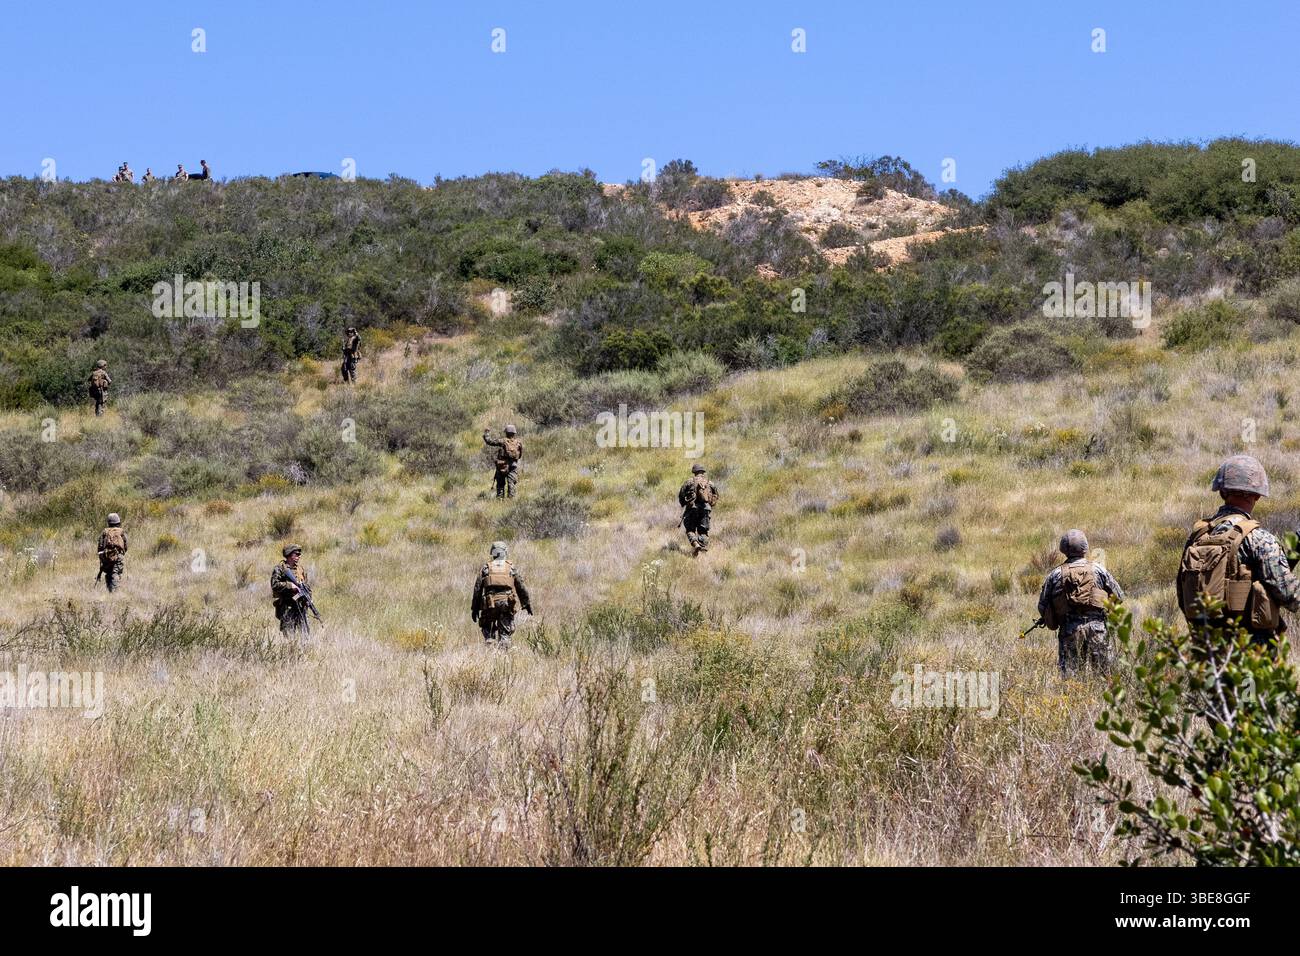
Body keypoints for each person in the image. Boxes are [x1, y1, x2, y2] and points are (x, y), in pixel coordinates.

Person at [1177, 454, 1300, 649]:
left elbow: (1182, 597)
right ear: (1257, 495)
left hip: (1207, 652)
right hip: (1251, 656)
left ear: (1222, 492)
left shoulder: (1197, 536)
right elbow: (1291, 597)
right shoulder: (1259, 539)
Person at [1036, 529, 1125, 675]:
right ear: (1085, 548)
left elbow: (1043, 606)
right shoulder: (1099, 570)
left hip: (1069, 631)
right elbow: (1119, 597)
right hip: (1098, 630)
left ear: (1063, 549)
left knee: (1071, 680)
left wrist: (1056, 617)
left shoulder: (1054, 575)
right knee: (1105, 677)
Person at [470, 541, 533, 648]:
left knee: (488, 632)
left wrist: (475, 609)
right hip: (506, 604)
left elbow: (477, 590)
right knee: (505, 634)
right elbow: (521, 587)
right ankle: (503, 657)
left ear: (492, 553)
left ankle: (490, 650)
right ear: (505, 552)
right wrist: (526, 604)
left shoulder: (486, 568)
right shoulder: (511, 568)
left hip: (489, 605)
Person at [270, 544, 314, 636]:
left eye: (299, 554)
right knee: (289, 636)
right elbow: (274, 585)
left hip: (301, 606)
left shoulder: (300, 569)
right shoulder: (280, 569)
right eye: (297, 554)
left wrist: (309, 598)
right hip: (287, 607)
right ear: (289, 555)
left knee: (305, 634)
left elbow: (306, 586)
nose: (299, 556)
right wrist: (290, 585)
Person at [677, 463, 719, 555]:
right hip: (705, 509)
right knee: (703, 531)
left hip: (692, 509)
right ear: (703, 472)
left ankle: (696, 544)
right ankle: (703, 550)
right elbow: (716, 495)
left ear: (694, 472)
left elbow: (681, 495)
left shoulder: (689, 482)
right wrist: (709, 506)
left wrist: (684, 504)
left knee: (690, 530)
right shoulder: (709, 483)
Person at [483, 425, 523, 499]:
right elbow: (520, 455)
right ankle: (511, 499)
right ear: (514, 433)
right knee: (511, 483)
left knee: (500, 483)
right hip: (513, 465)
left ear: (506, 433)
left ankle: (500, 499)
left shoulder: (502, 441)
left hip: (502, 465)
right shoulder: (518, 442)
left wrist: (486, 433)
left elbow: (489, 442)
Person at [96, 513, 128, 592]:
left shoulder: (105, 532)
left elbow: (100, 546)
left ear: (109, 522)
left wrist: (102, 557)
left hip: (106, 555)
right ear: (118, 522)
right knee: (116, 573)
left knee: (109, 573)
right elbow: (126, 545)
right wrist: (121, 553)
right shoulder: (121, 532)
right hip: (118, 555)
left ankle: (110, 591)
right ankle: (114, 593)